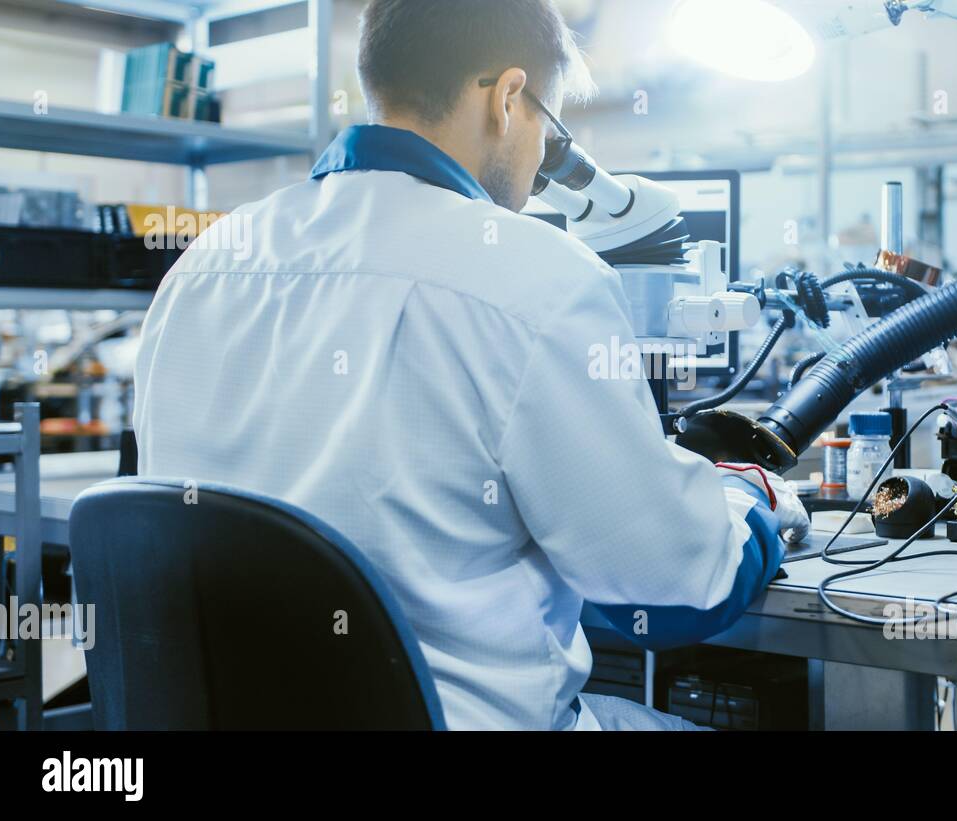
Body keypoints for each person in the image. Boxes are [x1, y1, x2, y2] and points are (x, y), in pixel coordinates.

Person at [134, 0, 808, 730]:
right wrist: (751, 504)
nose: (537, 164)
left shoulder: (206, 262)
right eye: (545, 132)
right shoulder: (535, 275)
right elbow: (672, 586)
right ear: (508, 97)